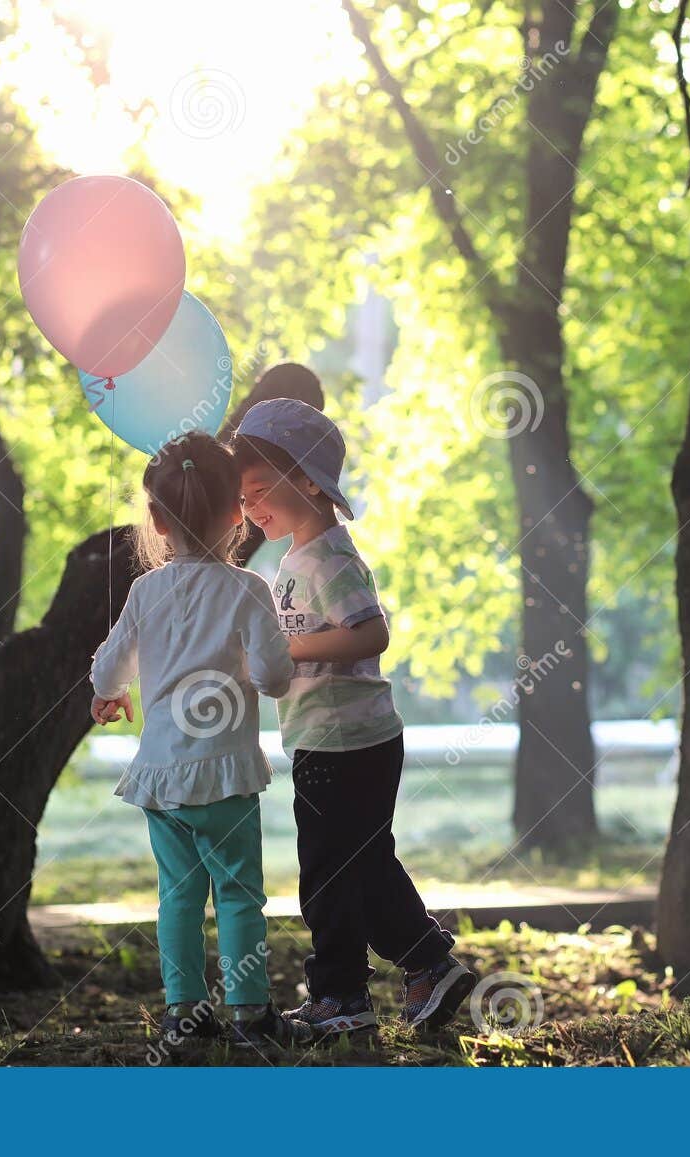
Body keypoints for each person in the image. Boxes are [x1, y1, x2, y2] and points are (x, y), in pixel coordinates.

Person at [233, 397, 476, 1037]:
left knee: (331, 872)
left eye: (259, 490)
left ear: (309, 482)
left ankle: (342, 996)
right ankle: (424, 965)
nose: (249, 508)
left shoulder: (330, 559)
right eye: (241, 498)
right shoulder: (294, 559)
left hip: (348, 743)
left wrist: (286, 650)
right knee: (357, 865)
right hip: (324, 739)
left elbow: (370, 635)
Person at [90, 431, 309, 1050]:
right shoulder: (248, 590)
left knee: (177, 898)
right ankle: (250, 1012)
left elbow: (109, 672)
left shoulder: (144, 592)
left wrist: (108, 692)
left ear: (156, 519)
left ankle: (183, 1013)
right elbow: (272, 677)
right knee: (239, 895)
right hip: (226, 775)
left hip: (162, 775)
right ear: (238, 512)